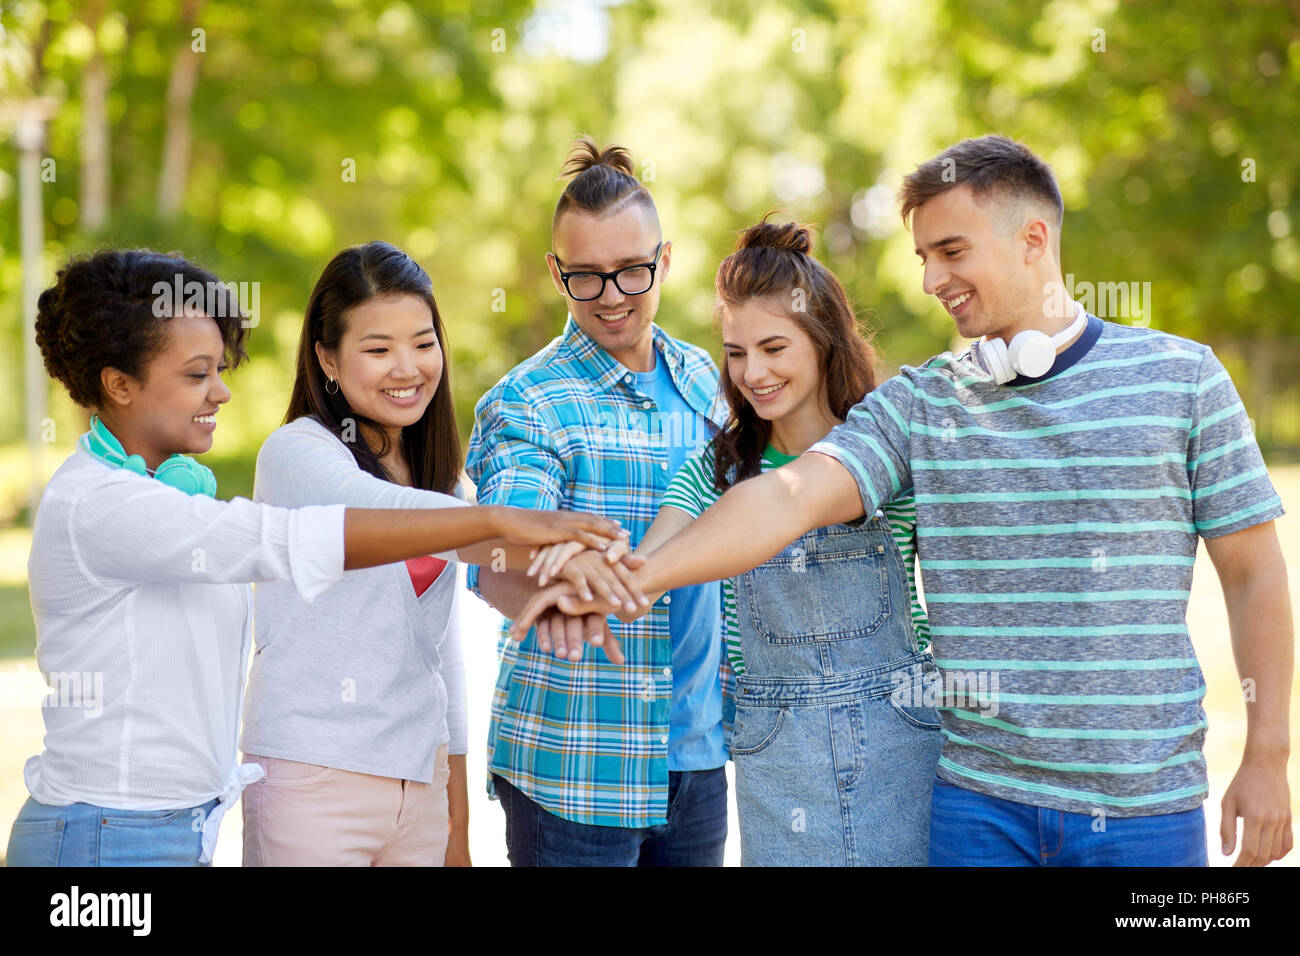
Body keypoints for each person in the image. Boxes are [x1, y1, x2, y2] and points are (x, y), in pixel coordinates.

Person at [514, 135, 1294, 867]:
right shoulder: (925, 403)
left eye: (951, 251)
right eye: (923, 257)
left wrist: (1266, 756)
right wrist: (633, 580)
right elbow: (785, 498)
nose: (930, 280)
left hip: (1146, 808)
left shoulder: (1182, 379)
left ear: (1033, 240)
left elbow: (1255, 573)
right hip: (976, 806)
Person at [5, 248, 630, 867]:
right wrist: (506, 522)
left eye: (221, 368)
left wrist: (555, 585)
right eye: (198, 375)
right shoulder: (105, 504)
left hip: (180, 825)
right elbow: (303, 533)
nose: (222, 392)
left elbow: (443, 650)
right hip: (109, 830)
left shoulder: (170, 492)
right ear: (118, 383)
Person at [531, 218, 941, 865]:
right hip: (778, 767)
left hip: (903, 745)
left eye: (774, 348)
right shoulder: (713, 470)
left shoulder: (884, 450)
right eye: (737, 352)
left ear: (822, 339)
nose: (753, 373)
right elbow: (649, 563)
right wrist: (595, 585)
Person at [466, 138, 732, 866]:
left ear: (666, 260)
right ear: (556, 273)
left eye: (631, 271)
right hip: (577, 763)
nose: (612, 295)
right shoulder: (526, 402)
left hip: (699, 755)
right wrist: (550, 587)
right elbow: (498, 550)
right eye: (586, 276)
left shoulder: (707, 379)